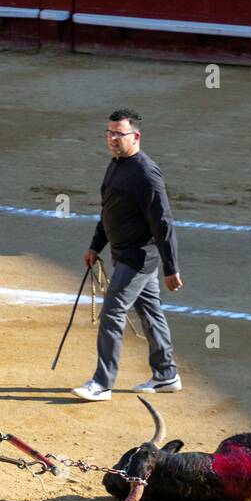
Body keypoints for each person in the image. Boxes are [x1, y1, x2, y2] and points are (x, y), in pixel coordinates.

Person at [71, 109, 183, 402]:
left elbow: (163, 222)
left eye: (119, 134)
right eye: (109, 133)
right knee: (151, 312)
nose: (112, 139)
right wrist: (96, 246)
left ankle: (102, 383)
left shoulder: (146, 173)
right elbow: (108, 212)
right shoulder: (116, 166)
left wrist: (172, 267)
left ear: (136, 136)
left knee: (112, 314)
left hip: (137, 259)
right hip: (123, 254)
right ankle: (166, 374)